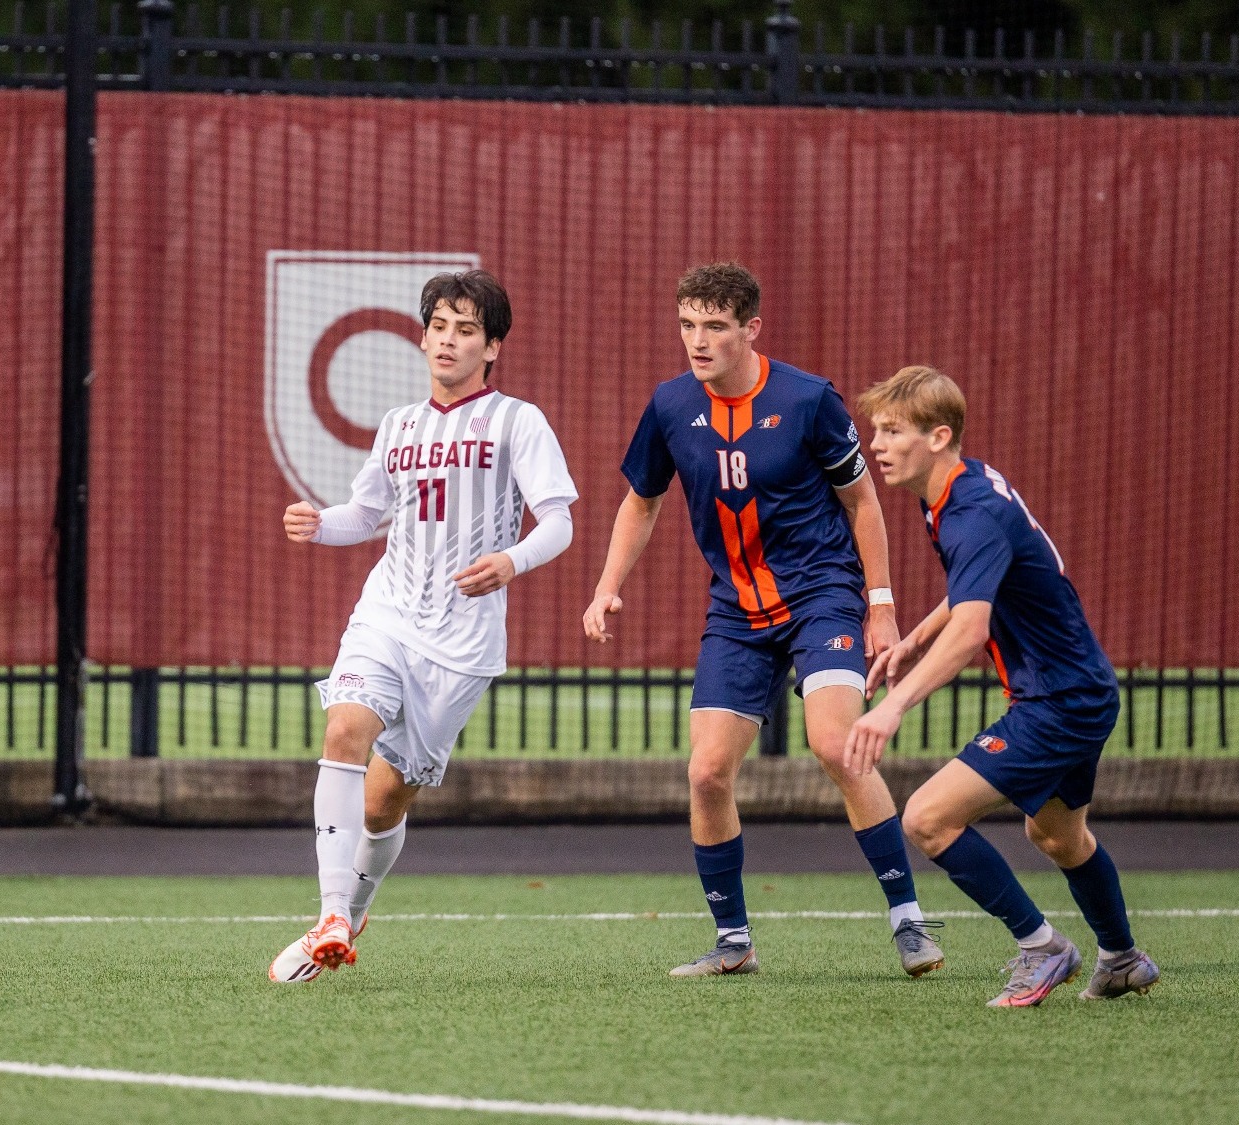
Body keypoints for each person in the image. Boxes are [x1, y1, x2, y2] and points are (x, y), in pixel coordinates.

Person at [582, 262, 942, 978]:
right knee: (708, 772)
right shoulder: (669, 406)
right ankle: (733, 942)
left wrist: (881, 606)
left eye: (715, 325)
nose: (698, 338)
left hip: (822, 596)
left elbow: (863, 503)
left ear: (751, 328)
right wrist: (605, 586)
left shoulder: (808, 399)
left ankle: (909, 919)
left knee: (837, 746)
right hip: (736, 609)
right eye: (687, 323)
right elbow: (640, 502)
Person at [269, 269, 579, 983]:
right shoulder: (398, 425)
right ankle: (333, 914)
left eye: (466, 329)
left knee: (385, 800)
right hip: (387, 612)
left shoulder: (517, 420)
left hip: (462, 643)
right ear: (422, 334)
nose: (448, 339)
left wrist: (511, 560)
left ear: (491, 345)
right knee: (345, 728)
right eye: (439, 325)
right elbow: (366, 513)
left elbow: (558, 521)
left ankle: (360, 902)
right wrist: (319, 525)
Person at [846, 364, 1160, 1007]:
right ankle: (1123, 959)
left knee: (929, 818)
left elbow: (971, 630)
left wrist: (893, 708)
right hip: (1080, 690)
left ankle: (1041, 948)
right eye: (874, 430)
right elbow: (975, 588)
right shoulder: (960, 488)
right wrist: (912, 641)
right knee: (1056, 836)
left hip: (1058, 701)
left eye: (892, 430)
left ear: (937, 436)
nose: (876, 444)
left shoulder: (969, 510)